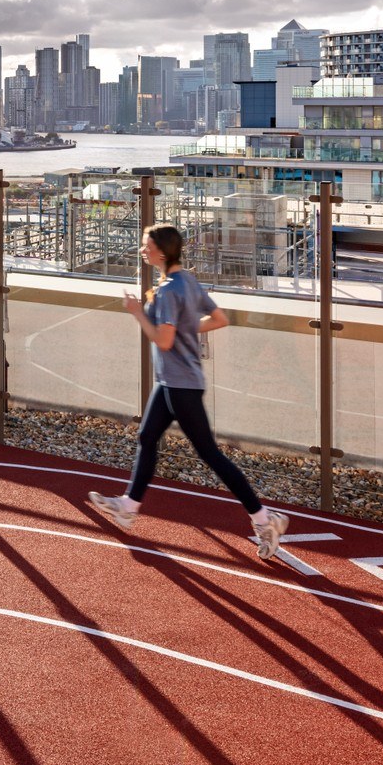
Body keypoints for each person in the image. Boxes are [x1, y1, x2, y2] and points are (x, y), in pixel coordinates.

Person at [88, 224, 290, 559]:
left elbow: (164, 341)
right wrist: (184, 327)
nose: (142, 250)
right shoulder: (188, 281)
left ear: (161, 251)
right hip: (173, 381)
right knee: (147, 437)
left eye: (146, 245)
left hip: (179, 384)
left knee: (210, 454)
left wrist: (137, 313)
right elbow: (220, 318)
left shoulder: (169, 290)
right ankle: (129, 506)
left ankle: (264, 519)